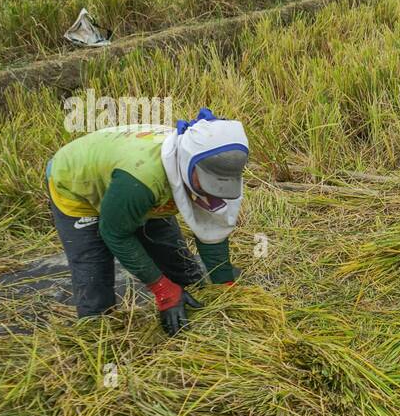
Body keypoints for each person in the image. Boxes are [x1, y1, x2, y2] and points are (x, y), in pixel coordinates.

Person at [46, 109, 249, 335]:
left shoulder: (214, 169)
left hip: (138, 189)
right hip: (77, 185)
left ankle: (190, 301)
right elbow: (115, 234)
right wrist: (163, 291)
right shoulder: (144, 179)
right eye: (205, 184)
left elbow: (213, 230)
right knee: (94, 273)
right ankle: (98, 335)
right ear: (187, 162)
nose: (212, 192)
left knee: (175, 258)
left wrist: (225, 288)